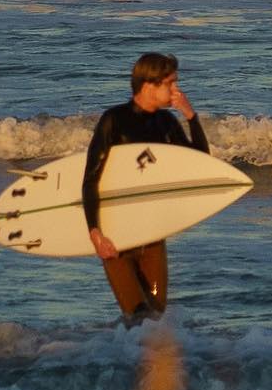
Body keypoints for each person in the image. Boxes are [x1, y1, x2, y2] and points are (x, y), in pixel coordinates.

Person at [84, 52, 209, 323]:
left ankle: (136, 362)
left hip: (153, 234)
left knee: (156, 317)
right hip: (115, 236)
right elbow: (91, 179)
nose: (176, 89)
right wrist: (95, 233)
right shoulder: (114, 120)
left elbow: (201, 163)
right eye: (171, 83)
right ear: (149, 84)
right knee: (138, 317)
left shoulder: (166, 122)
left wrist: (191, 116)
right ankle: (112, 359)